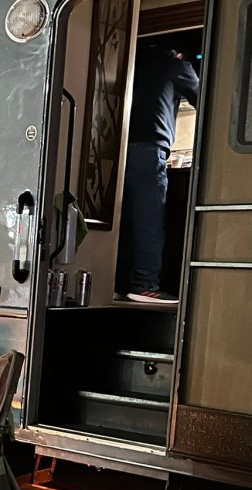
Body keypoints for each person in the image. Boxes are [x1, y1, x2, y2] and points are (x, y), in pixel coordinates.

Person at [116, 45, 199, 304]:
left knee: (123, 221)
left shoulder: (130, 61)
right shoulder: (175, 64)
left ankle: (117, 282)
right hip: (150, 150)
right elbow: (207, 96)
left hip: (113, 149)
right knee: (149, 222)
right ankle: (144, 286)